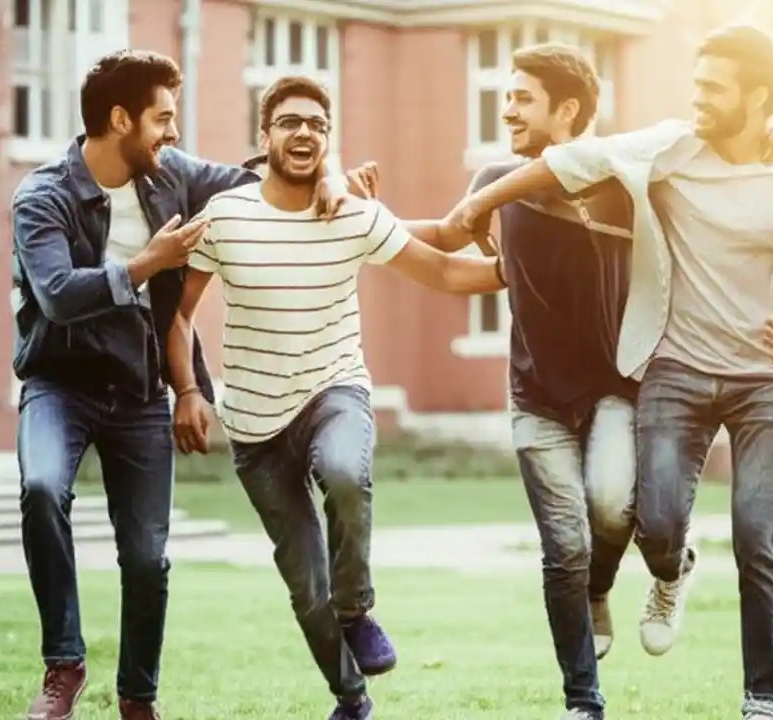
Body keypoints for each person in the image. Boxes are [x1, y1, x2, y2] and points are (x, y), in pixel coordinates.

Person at [443, 25, 773, 720]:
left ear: (755, 98)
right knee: (654, 522)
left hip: (765, 383)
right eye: (695, 83)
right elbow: (573, 161)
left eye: (712, 88)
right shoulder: (669, 149)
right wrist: (480, 201)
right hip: (677, 372)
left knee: (760, 538)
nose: (696, 98)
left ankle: (765, 700)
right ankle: (671, 572)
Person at [10, 51, 360, 720]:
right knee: (41, 487)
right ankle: (64, 665)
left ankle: (137, 698)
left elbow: (264, 174)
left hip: (141, 391)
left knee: (145, 556)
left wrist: (334, 172)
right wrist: (147, 265)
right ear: (120, 119)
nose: (172, 132)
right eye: (162, 118)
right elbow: (56, 295)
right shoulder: (43, 196)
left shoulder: (171, 177)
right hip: (60, 383)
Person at [167, 75, 506, 720]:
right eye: (290, 122)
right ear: (263, 136)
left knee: (347, 472)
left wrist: (516, 273)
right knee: (304, 585)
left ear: (329, 139)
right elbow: (179, 315)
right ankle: (352, 699)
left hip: (334, 389)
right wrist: (187, 388)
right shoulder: (227, 217)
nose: (304, 134)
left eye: (318, 125)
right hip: (256, 427)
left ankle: (358, 609)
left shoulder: (352, 213)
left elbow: (438, 268)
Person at [409, 43, 636, 720]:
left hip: (614, 389)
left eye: (522, 98)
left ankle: (602, 586)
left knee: (612, 506)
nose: (506, 107)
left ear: (567, 110)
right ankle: (582, 700)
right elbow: (448, 242)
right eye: (504, 94)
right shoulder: (492, 180)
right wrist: (357, 224)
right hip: (535, 396)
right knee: (562, 545)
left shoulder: (621, 180)